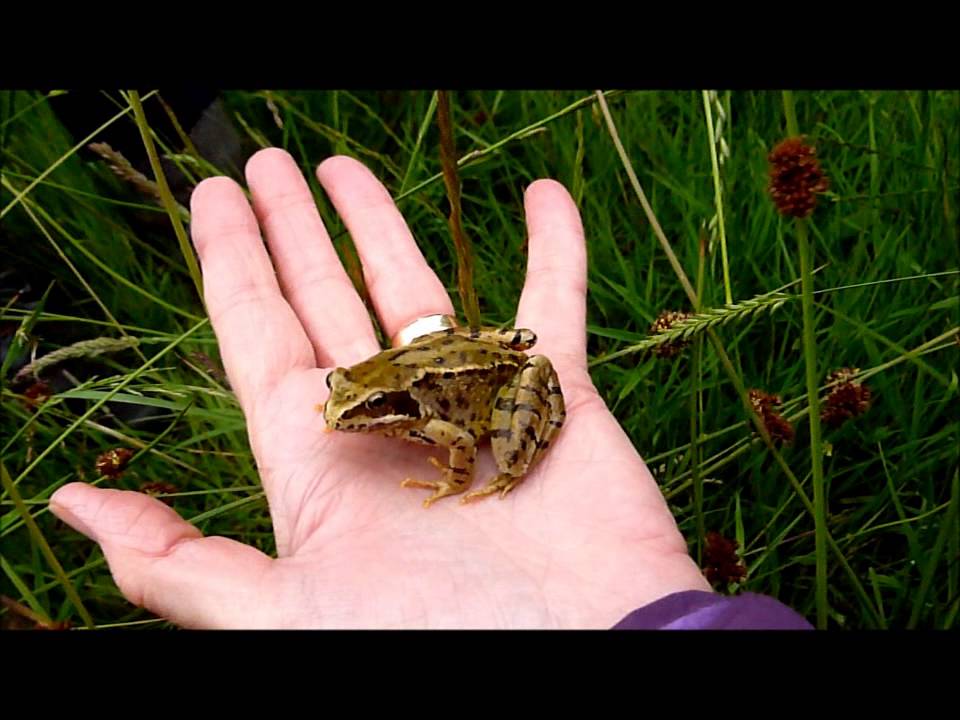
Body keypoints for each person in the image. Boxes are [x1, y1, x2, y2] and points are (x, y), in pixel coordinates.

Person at [49, 149, 811, 630]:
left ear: (393, 408)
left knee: (495, 447)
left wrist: (465, 481)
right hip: (459, 355)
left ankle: (514, 467)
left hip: (491, 382)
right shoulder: (372, 401)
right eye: (350, 396)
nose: (348, 414)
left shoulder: (422, 423)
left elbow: (452, 439)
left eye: (366, 407)